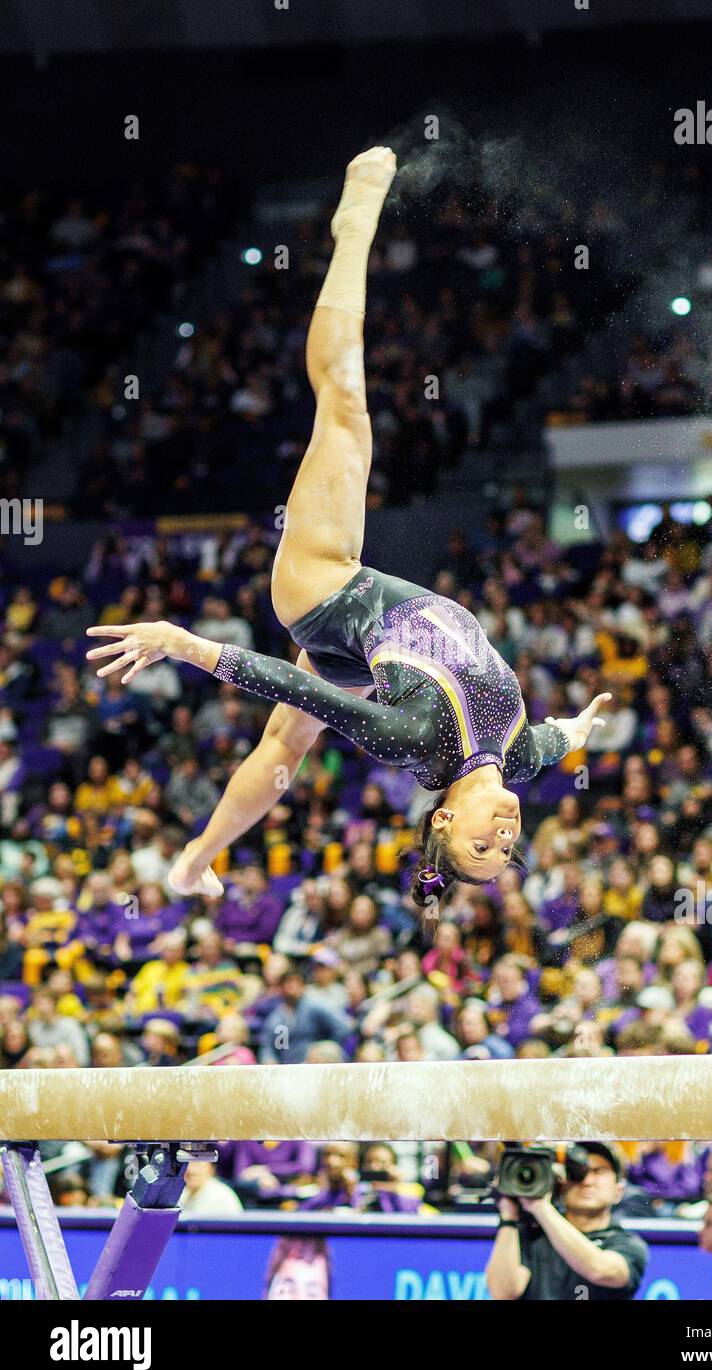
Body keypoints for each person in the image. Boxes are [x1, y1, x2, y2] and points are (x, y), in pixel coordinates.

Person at [85, 147, 610, 912]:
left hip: (330, 593)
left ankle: (354, 221)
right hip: (362, 646)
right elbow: (561, 738)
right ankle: (195, 860)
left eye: (476, 845)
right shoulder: (521, 757)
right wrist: (584, 727)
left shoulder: (416, 742)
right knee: (281, 753)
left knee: (346, 402)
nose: (501, 837)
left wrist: (181, 642)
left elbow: (294, 682)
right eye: (507, 850)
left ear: (443, 817)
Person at [485, 1142, 648, 1301]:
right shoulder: (533, 1234)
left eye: (599, 1171)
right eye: (578, 1172)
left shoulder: (628, 1245)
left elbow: (599, 1270)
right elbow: (503, 1293)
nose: (587, 1181)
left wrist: (541, 1207)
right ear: (561, 1184)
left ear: (618, 1191)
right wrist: (509, 1216)